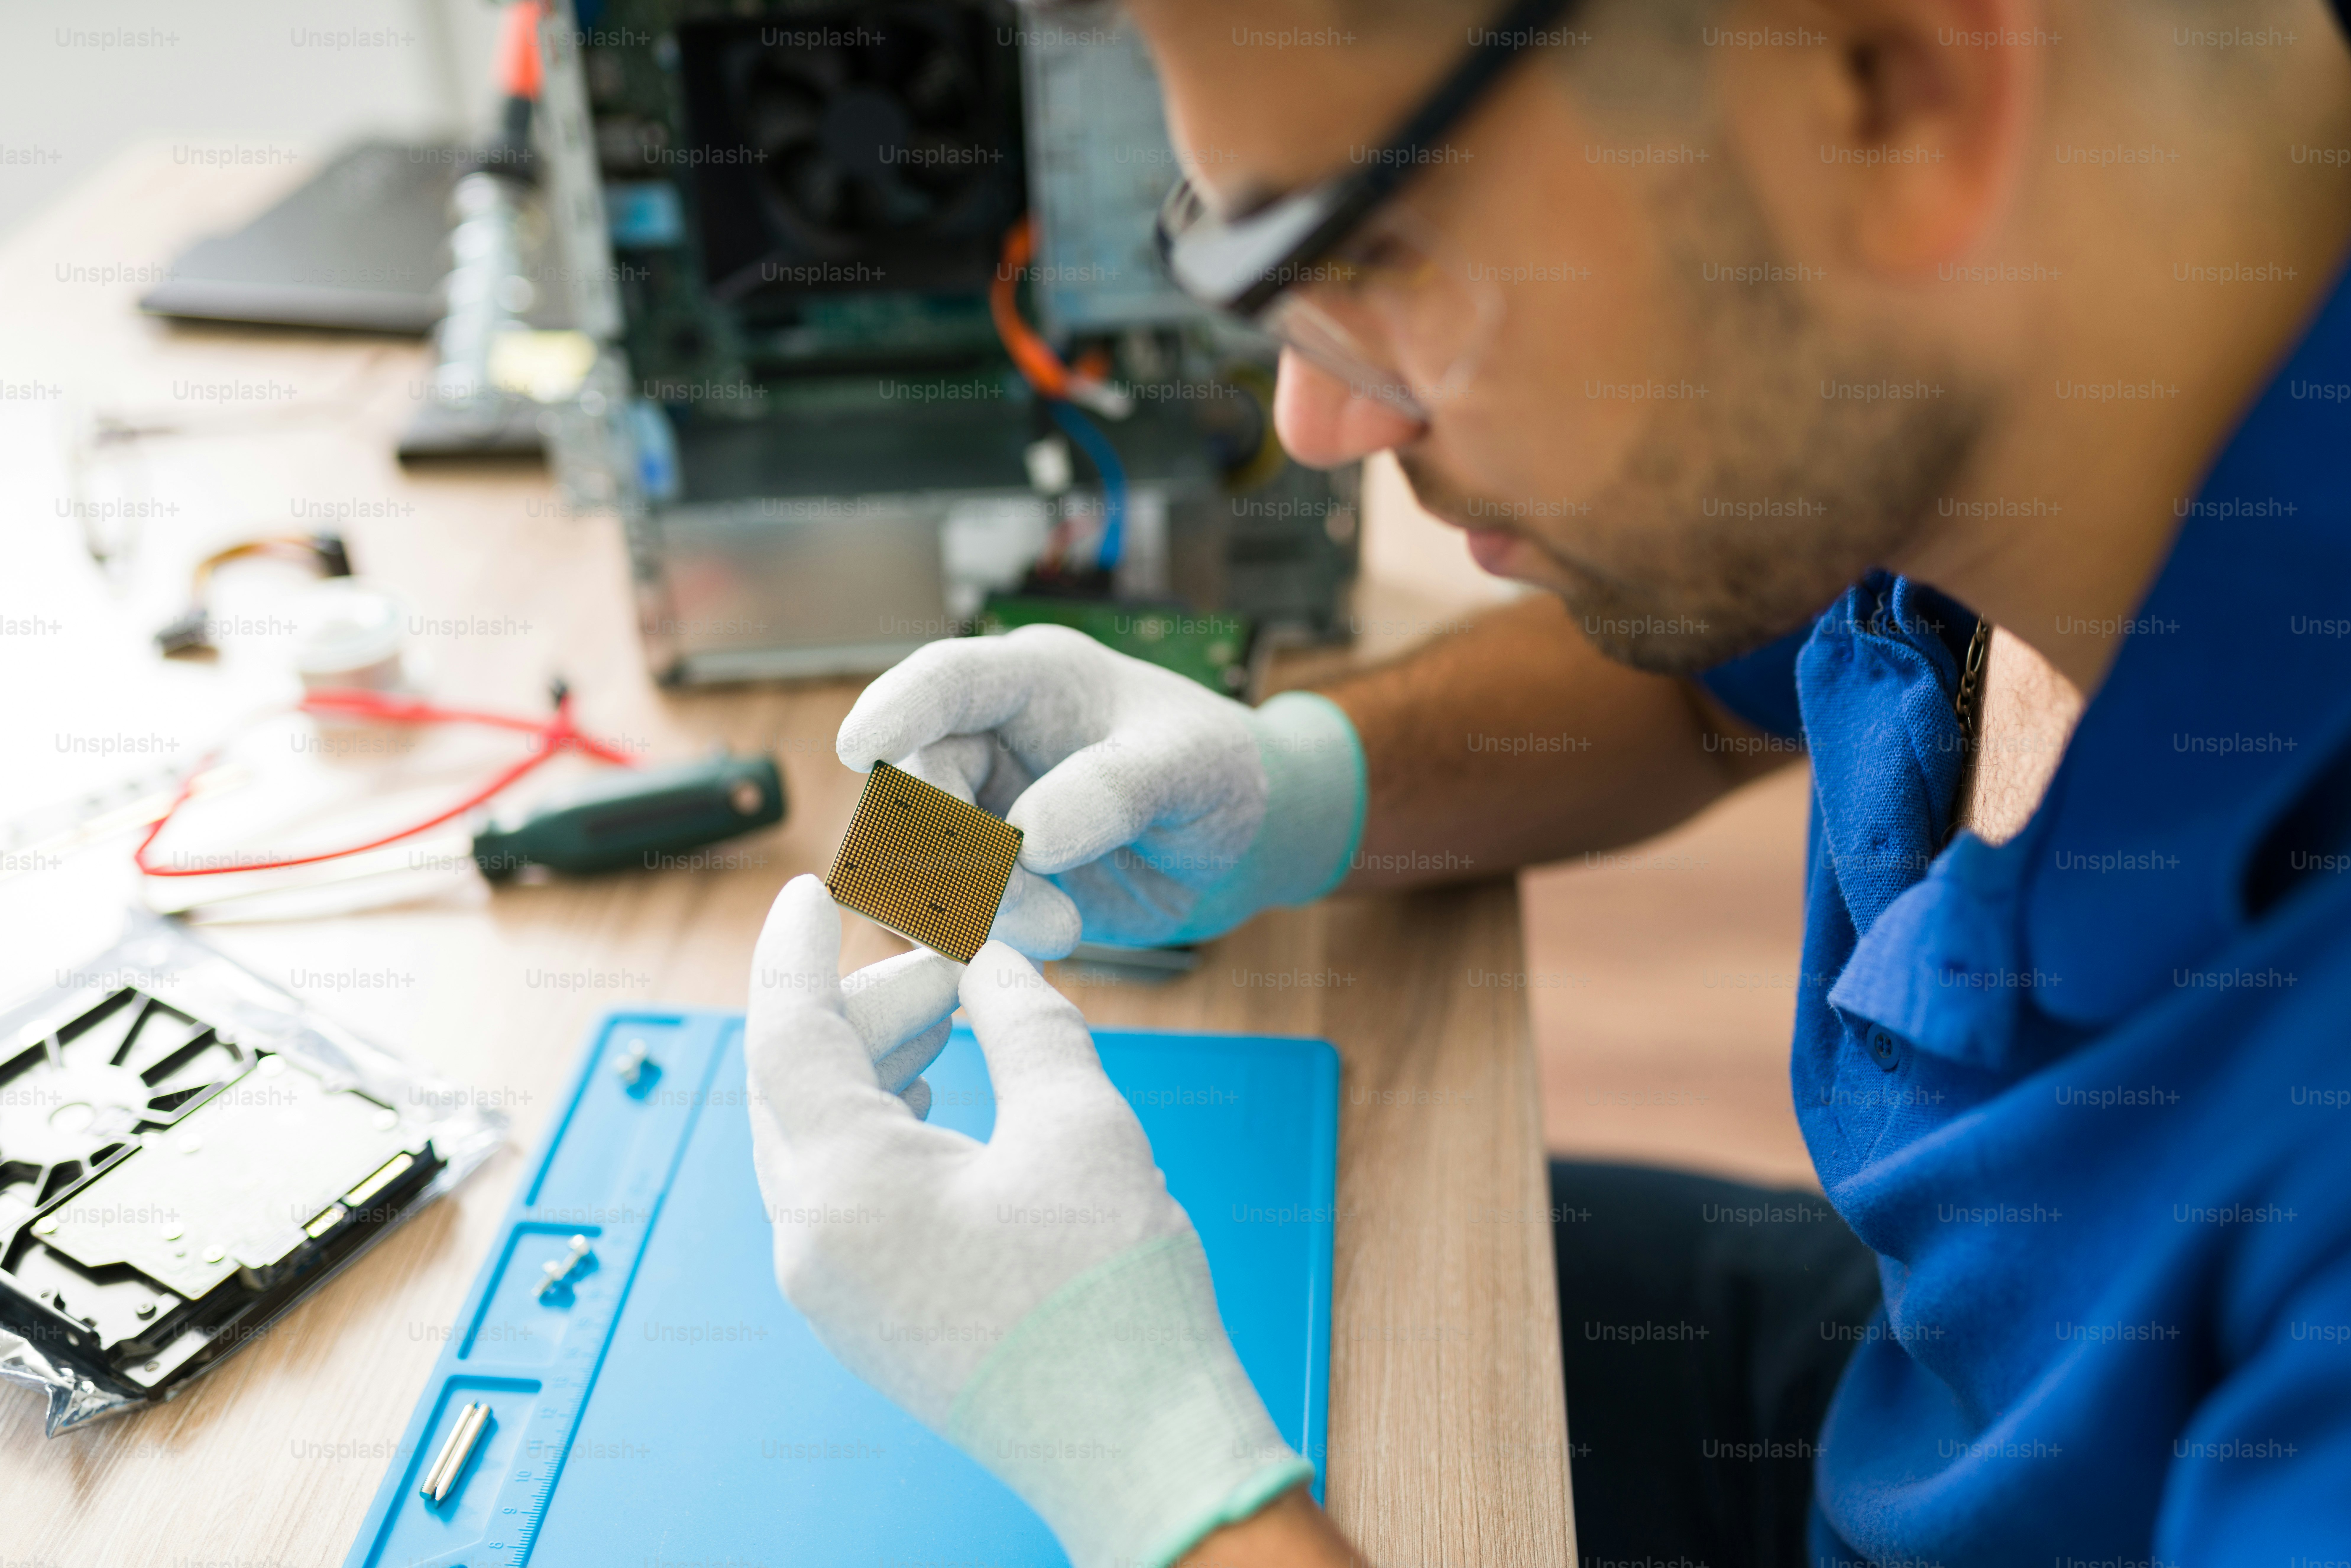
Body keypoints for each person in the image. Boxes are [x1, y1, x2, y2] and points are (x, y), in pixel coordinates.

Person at [744, 0, 2351, 1564]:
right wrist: (1305, 783)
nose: (1317, 423)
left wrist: (1163, 1477)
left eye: (1366, 243)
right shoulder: (2018, 330)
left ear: (1895, 84)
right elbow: (1729, 662)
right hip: (1924, 1403)